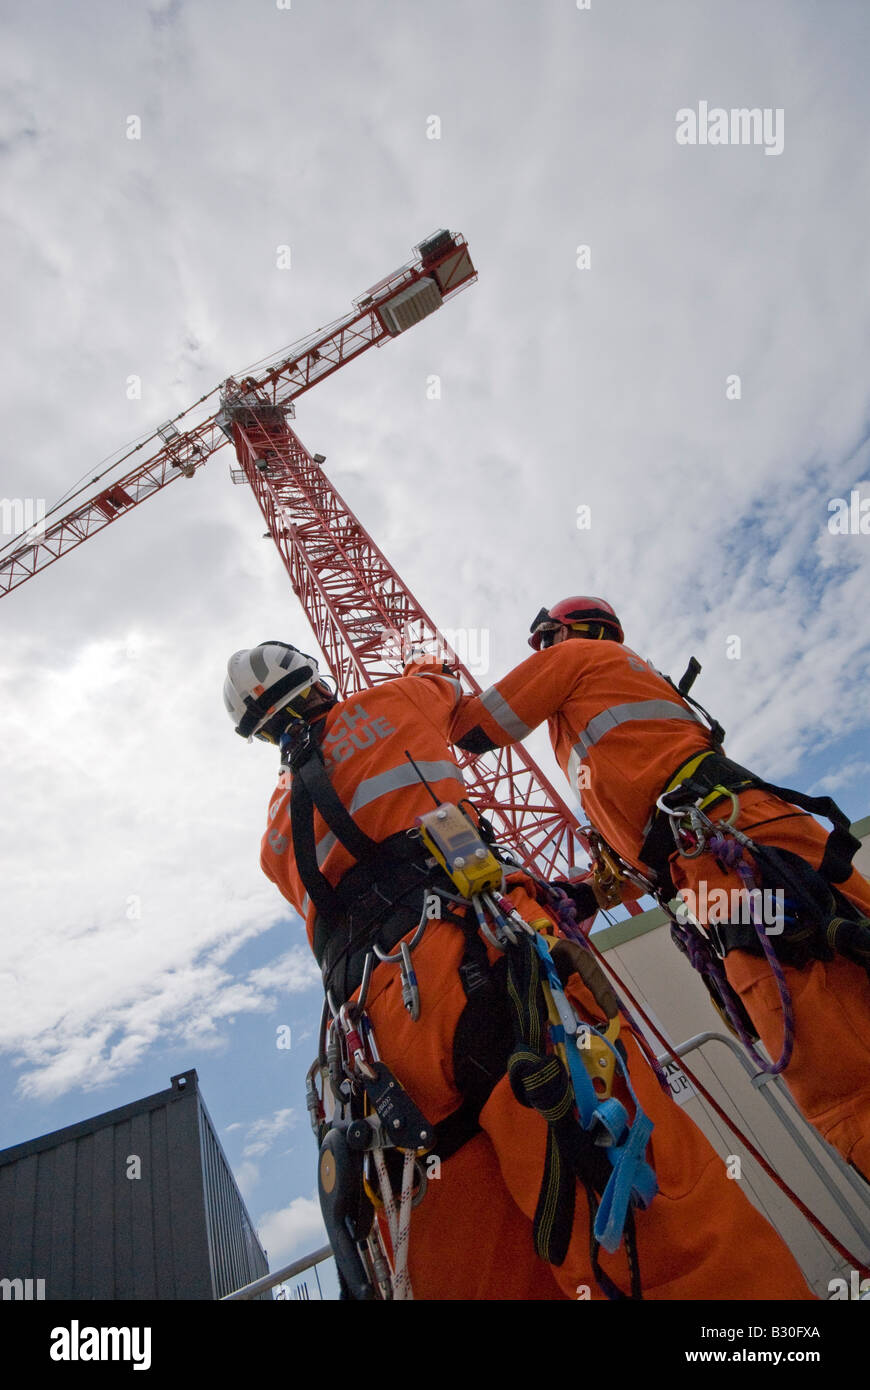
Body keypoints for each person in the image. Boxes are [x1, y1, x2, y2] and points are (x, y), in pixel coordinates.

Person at [225, 638, 814, 1300]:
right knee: (657, 1220)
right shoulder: (392, 701)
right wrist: (429, 670)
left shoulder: (274, 838)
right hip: (477, 958)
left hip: (379, 1053)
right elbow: (456, 707)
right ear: (314, 679)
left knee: (487, 1263)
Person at [450, 595, 870, 1183]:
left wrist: (429, 685)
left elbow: (473, 728)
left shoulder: (578, 658)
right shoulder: (632, 699)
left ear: (568, 633)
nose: (542, 654)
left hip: (722, 860)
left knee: (837, 1067)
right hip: (758, 831)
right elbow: (648, 844)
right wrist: (594, 895)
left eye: (545, 641)